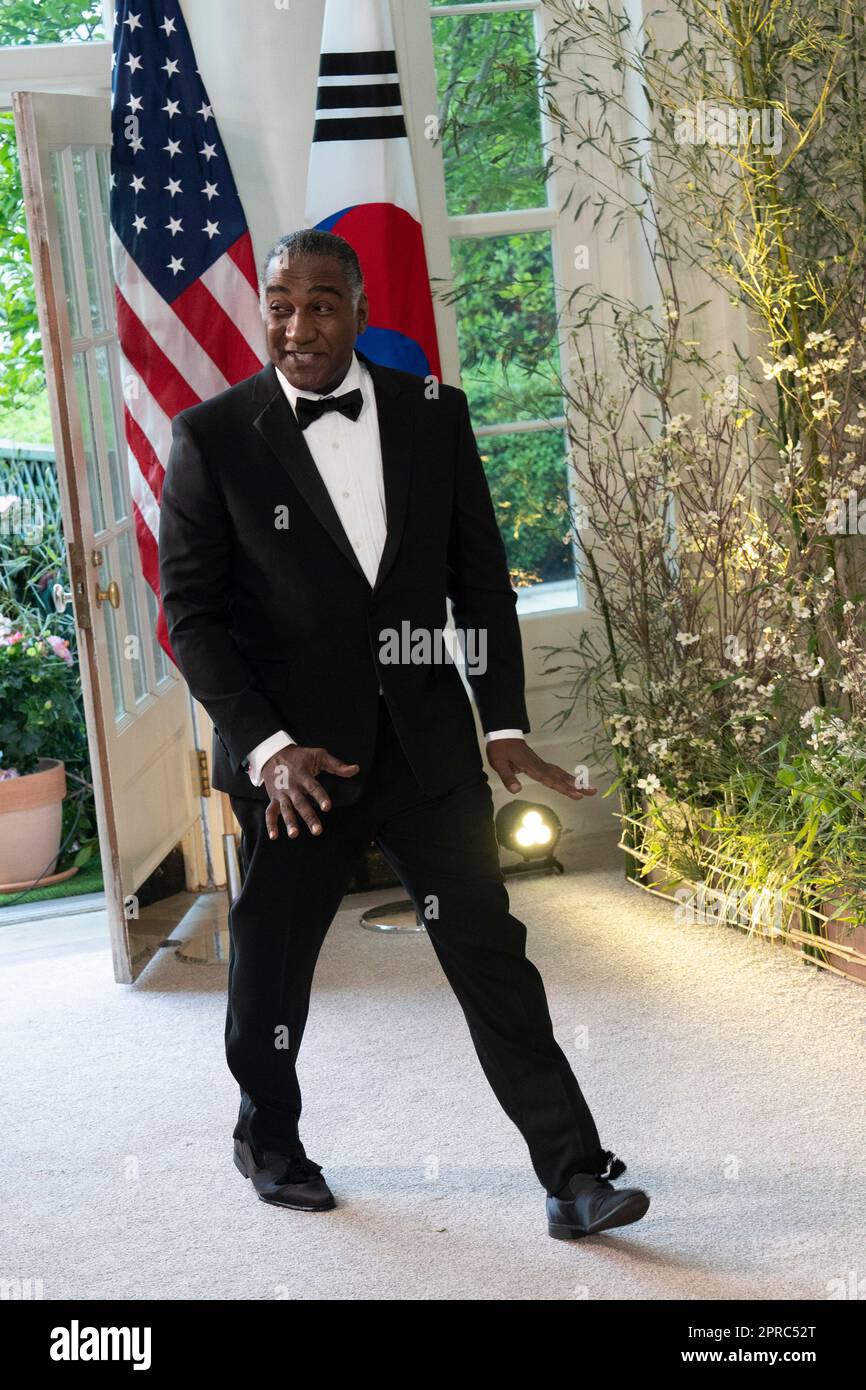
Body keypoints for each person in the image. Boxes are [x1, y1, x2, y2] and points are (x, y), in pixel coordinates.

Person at [158, 228, 650, 1239]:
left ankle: (572, 1174)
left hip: (425, 745)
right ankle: (270, 1140)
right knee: (273, 959)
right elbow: (193, 617)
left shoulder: (435, 419)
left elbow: (478, 580)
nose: (297, 326)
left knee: (490, 956)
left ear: (360, 309)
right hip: (296, 764)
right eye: (280, 304)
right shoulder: (211, 437)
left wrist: (502, 719)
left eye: (321, 304)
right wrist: (264, 747)